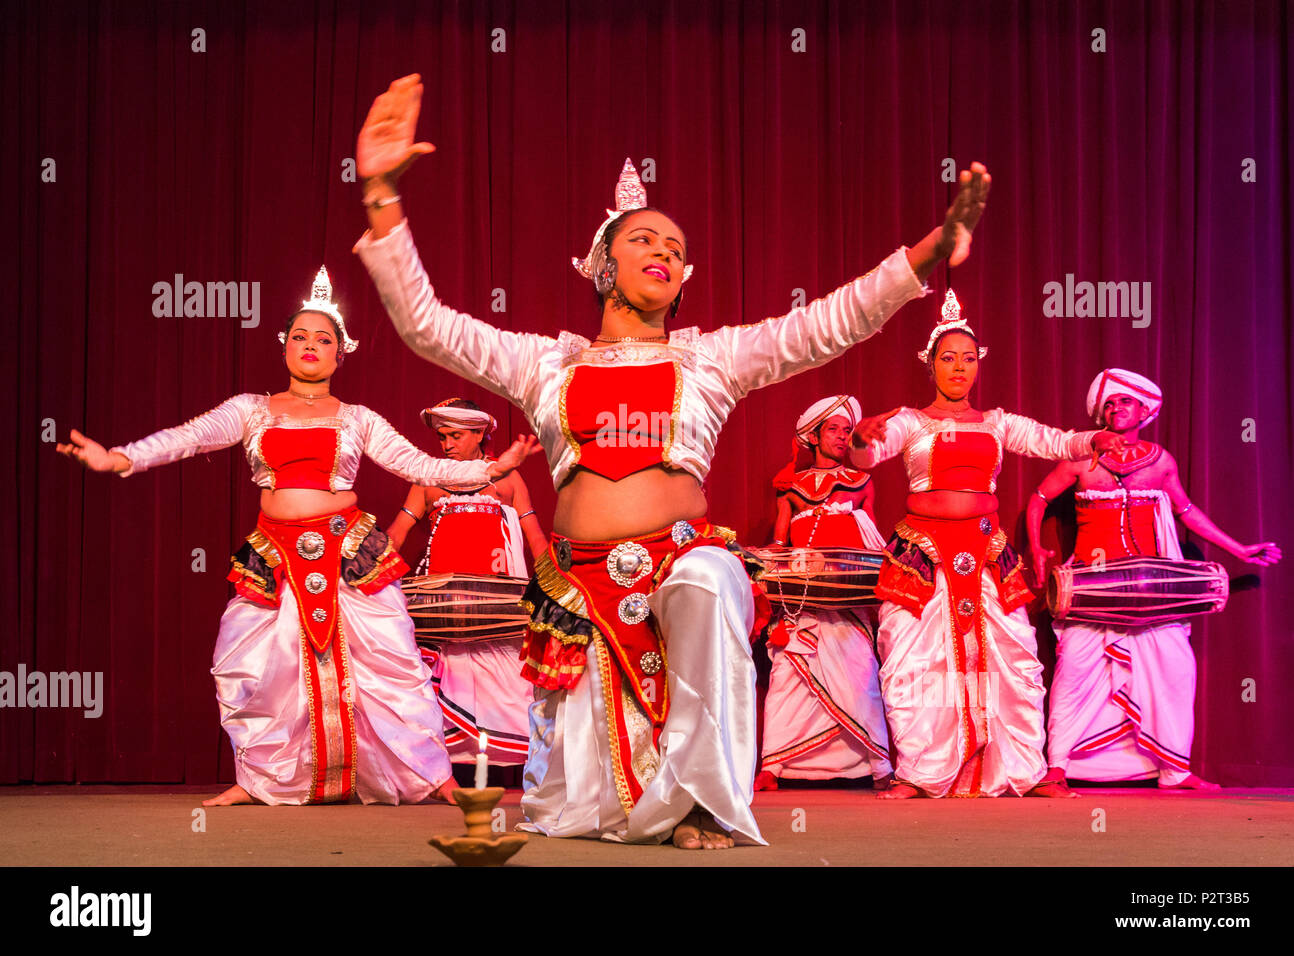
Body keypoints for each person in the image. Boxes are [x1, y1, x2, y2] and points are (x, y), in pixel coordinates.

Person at [351, 74, 990, 847]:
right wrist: (381, 193)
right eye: (644, 239)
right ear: (601, 264)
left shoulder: (712, 361)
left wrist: (924, 258)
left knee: (709, 581)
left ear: (684, 282)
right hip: (582, 584)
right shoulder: (543, 365)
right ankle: (648, 798)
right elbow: (425, 324)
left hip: (679, 564)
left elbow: (831, 322)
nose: (663, 251)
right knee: (582, 811)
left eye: (677, 248)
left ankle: (697, 803)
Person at [56, 266, 538, 806]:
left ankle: (436, 779)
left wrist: (490, 472)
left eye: (324, 338)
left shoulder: (358, 419)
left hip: (348, 550)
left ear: (341, 353)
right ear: (284, 346)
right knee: (258, 668)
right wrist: (118, 458)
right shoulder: (250, 410)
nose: (312, 346)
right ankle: (258, 780)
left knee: (392, 663)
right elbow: (187, 439)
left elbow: (419, 464)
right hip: (276, 552)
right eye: (302, 336)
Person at [849, 289, 1126, 799]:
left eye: (968, 358)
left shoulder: (998, 423)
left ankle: (1025, 768)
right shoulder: (909, 421)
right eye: (948, 358)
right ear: (929, 365)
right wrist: (863, 441)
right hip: (924, 555)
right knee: (916, 662)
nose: (959, 367)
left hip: (986, 554)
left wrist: (1093, 440)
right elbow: (868, 458)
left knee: (1014, 658)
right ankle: (918, 772)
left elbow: (1055, 440)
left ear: (980, 366)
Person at [1027, 368, 1281, 789]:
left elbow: (1185, 511)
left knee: (1176, 669)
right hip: (1093, 585)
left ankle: (1174, 771)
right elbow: (1038, 498)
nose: (1115, 408)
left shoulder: (1160, 460)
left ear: (1144, 410)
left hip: (1151, 587)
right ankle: (1058, 766)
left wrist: (1239, 549)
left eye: (1124, 401)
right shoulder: (1079, 457)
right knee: (1074, 670)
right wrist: (1036, 547)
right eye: (1108, 403)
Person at [386, 398, 547, 765]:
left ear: (479, 434)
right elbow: (399, 530)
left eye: (455, 436)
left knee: (507, 683)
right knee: (441, 676)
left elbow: (534, 535)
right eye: (442, 437)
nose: (446, 445)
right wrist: (368, 559)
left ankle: (519, 765)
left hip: (498, 607)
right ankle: (441, 768)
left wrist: (552, 582)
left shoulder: (506, 479)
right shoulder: (430, 478)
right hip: (442, 609)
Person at [755, 395, 894, 791]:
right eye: (832, 429)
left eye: (847, 430)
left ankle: (877, 763)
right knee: (787, 676)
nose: (841, 436)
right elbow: (779, 542)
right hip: (802, 603)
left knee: (858, 675)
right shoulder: (791, 487)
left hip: (846, 602)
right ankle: (775, 766)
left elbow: (873, 544)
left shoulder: (861, 482)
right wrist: (763, 561)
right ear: (814, 436)